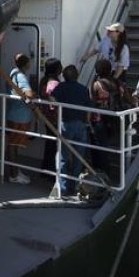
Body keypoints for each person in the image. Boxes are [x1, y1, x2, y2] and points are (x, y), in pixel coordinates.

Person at [50, 65, 94, 199]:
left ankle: (63, 188)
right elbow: (88, 109)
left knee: (63, 156)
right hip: (80, 125)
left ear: (64, 76)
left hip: (66, 124)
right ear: (77, 76)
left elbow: (51, 99)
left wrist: (57, 109)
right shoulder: (83, 89)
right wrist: (87, 122)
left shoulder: (61, 87)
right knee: (78, 157)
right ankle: (74, 187)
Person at [4, 53, 36, 184]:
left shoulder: (12, 73)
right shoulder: (21, 76)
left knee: (13, 145)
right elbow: (28, 94)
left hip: (12, 114)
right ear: (27, 64)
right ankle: (14, 175)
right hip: (20, 117)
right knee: (13, 145)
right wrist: (35, 93)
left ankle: (15, 172)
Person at [38, 58, 64, 179]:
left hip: (46, 116)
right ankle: (51, 171)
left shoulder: (43, 81)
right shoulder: (55, 84)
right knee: (54, 145)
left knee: (50, 144)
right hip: (54, 118)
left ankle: (45, 169)